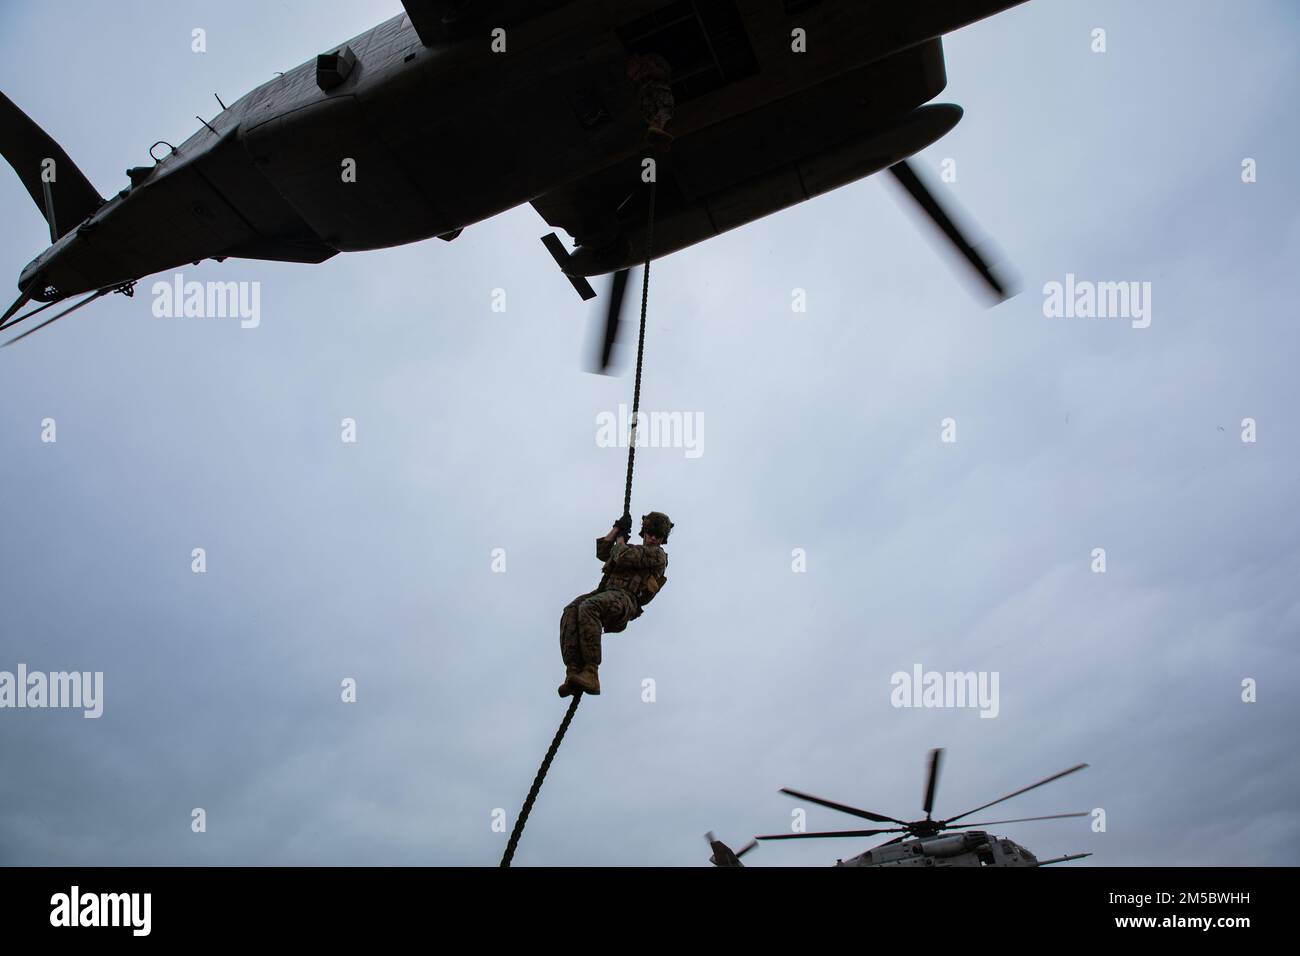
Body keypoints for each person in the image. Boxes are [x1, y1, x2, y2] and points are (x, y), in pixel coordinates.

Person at [558, 511, 673, 697]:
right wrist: (617, 529)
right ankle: (572, 671)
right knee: (571, 610)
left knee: (589, 607)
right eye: (650, 533)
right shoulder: (629, 548)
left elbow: (622, 556)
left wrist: (620, 540)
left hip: (625, 599)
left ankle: (591, 671)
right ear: (644, 532)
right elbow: (603, 552)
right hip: (606, 593)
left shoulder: (658, 556)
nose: (653, 538)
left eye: (658, 536)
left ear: (662, 539)